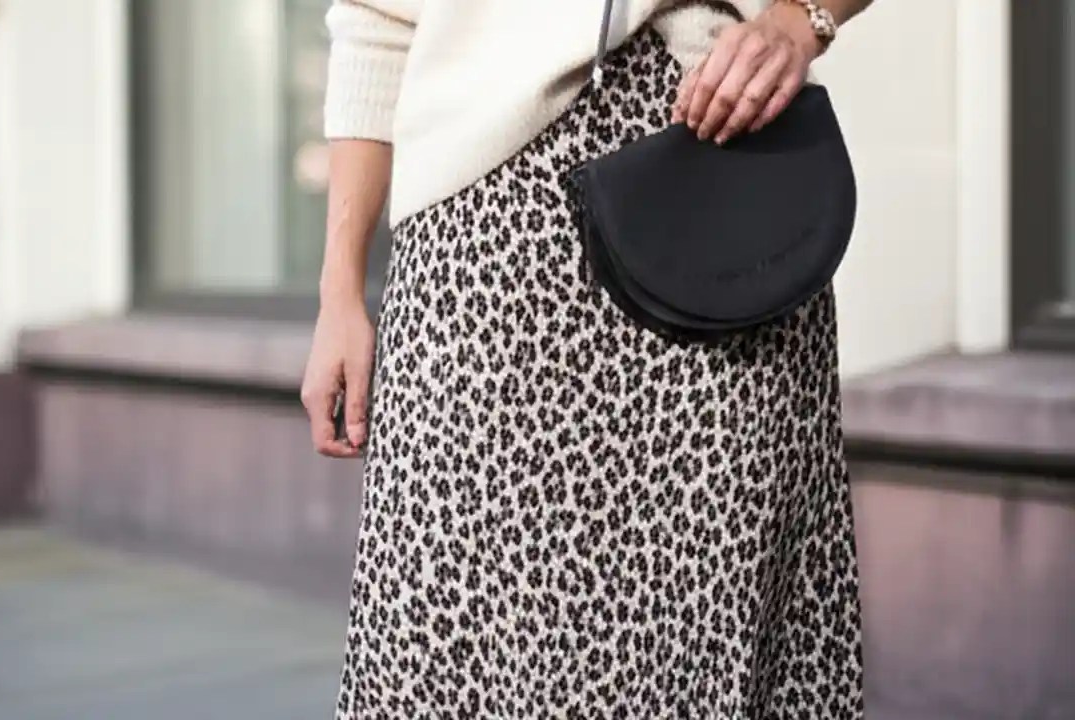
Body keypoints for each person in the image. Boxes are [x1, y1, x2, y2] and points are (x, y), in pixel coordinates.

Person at [301, 0, 876, 716]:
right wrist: (340, 291)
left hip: (717, 177)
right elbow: (377, 19)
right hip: (480, 234)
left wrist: (804, 18)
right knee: (448, 626)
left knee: (711, 624)